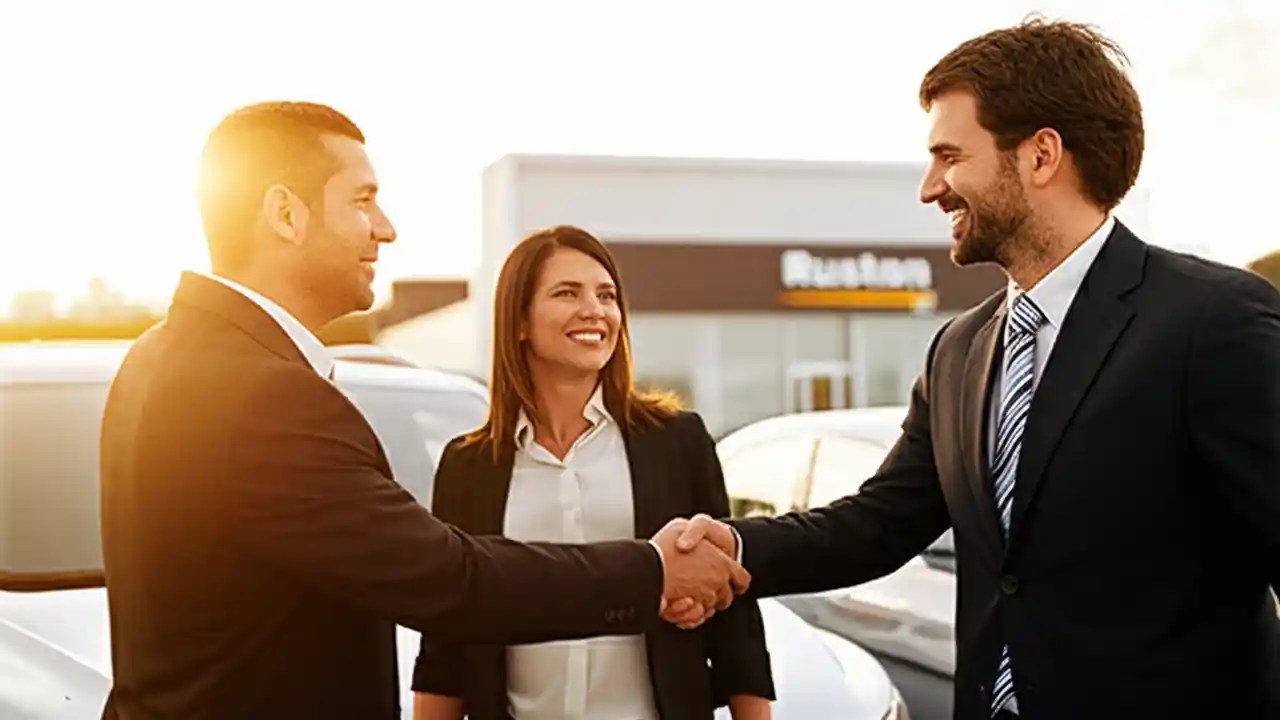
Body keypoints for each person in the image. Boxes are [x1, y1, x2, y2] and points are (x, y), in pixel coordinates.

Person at [668, 18, 1280, 720]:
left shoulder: (1213, 322)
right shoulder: (959, 349)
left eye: (949, 156)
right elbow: (878, 524)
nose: (932, 188)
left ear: (1041, 155)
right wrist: (733, 542)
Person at [97, 102, 748, 720]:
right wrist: (652, 570)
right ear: (285, 215)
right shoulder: (262, 393)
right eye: (362, 199)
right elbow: (453, 579)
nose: (385, 227)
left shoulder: (157, 355)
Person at [411, 226, 776, 720]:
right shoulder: (468, 466)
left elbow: (735, 620)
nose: (595, 310)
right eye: (567, 293)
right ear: (520, 320)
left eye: (607, 296)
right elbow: (445, 641)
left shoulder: (677, 442)